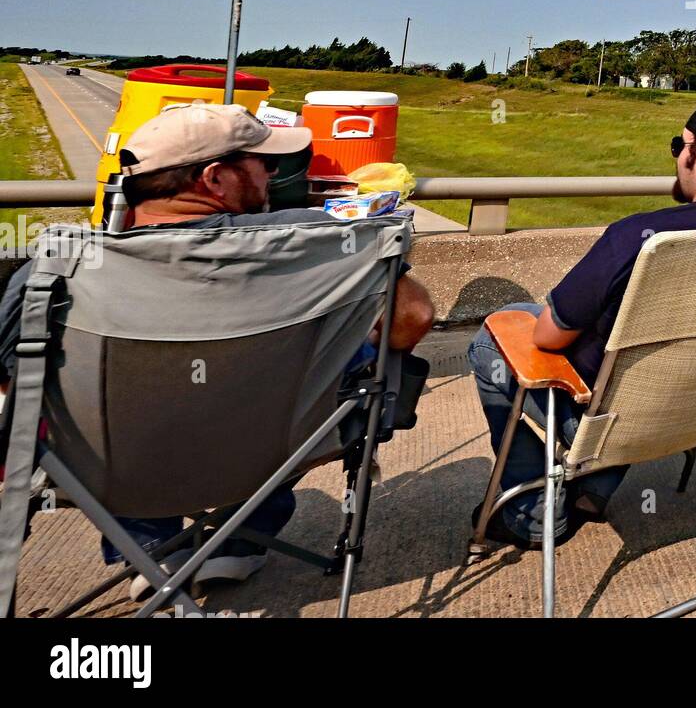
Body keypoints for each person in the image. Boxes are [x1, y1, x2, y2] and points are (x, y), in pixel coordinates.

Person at [0, 103, 434, 597]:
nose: (275, 173)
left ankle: (152, 549)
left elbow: (17, 389)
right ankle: (240, 542)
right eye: (264, 163)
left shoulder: (52, 270)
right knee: (351, 365)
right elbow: (411, 321)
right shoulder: (315, 245)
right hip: (268, 454)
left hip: (111, 471)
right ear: (215, 178)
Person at [468, 95, 696, 547]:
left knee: (499, 333)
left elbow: (548, 337)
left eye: (678, 146)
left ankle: (533, 514)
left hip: (621, 418)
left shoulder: (641, 236)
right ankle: (591, 492)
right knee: (645, 357)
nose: (677, 157)